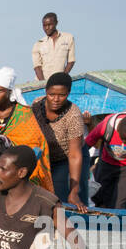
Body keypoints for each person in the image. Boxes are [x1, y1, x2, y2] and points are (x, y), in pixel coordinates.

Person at [31, 73, 87, 210]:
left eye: (62, 95)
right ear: (46, 92)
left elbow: (74, 155)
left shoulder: (73, 115)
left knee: (64, 195)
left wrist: (74, 192)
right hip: (45, 155)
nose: (56, 99)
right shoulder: (36, 105)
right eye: (51, 94)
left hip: (68, 156)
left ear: (68, 93)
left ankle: (77, 222)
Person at [32, 13, 75, 81]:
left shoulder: (68, 38)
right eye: (44, 26)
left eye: (49, 25)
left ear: (56, 23)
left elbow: (71, 61)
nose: (47, 28)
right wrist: (43, 84)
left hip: (60, 82)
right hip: (41, 83)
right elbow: (37, 67)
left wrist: (63, 78)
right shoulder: (38, 44)